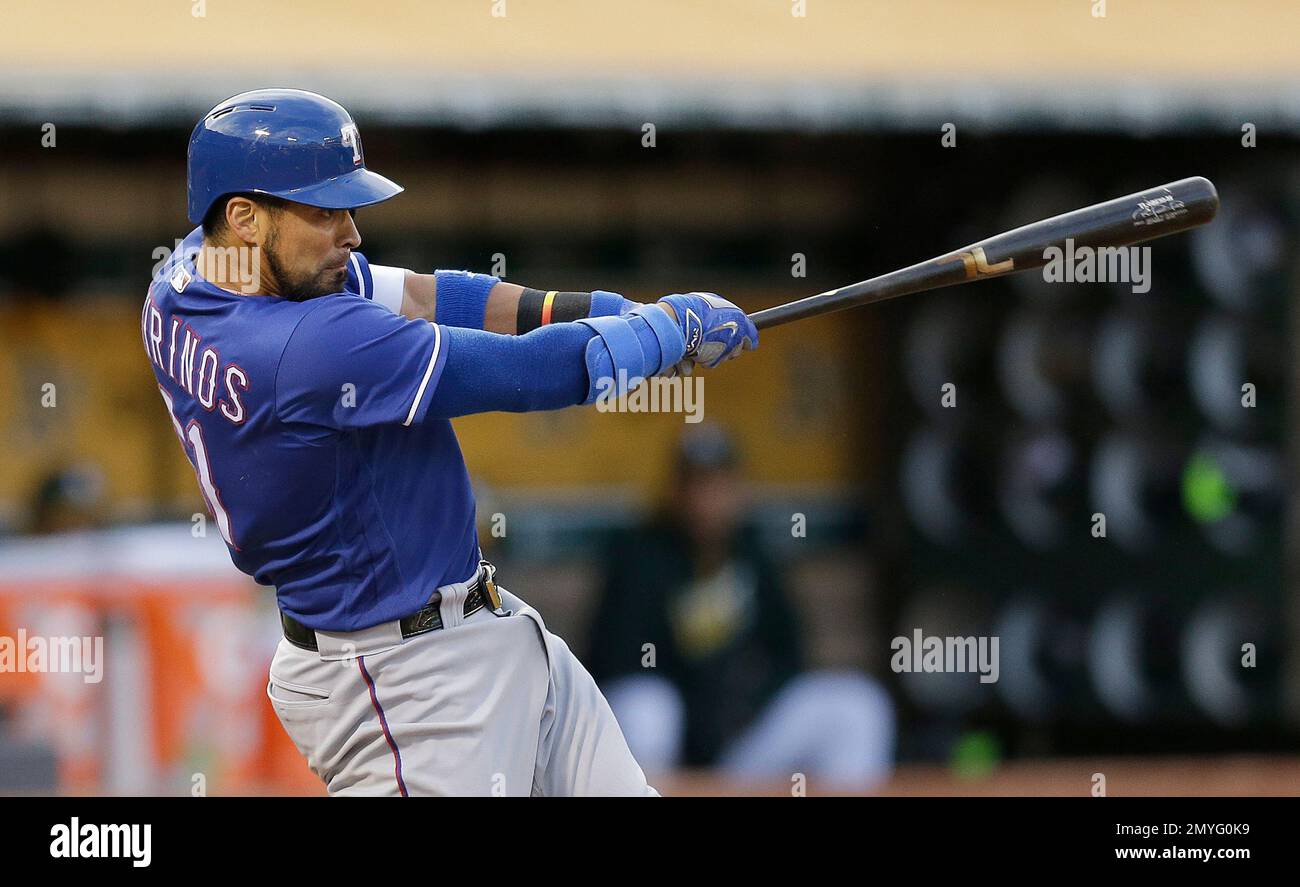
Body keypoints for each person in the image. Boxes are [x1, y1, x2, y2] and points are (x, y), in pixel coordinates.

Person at [141, 88, 758, 796]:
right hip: (405, 682)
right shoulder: (307, 347)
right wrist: (664, 332)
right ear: (247, 217)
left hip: (472, 632)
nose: (352, 233)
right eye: (324, 210)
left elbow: (431, 297)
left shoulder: (189, 277)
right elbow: (530, 374)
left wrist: (611, 312)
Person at [588, 426, 894, 788]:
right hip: (670, 750)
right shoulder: (641, 556)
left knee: (858, 705)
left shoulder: (753, 555)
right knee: (650, 707)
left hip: (742, 749)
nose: (710, 498)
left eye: (720, 484)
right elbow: (614, 664)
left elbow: (791, 658)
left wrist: (750, 695)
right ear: (676, 491)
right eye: (699, 485)